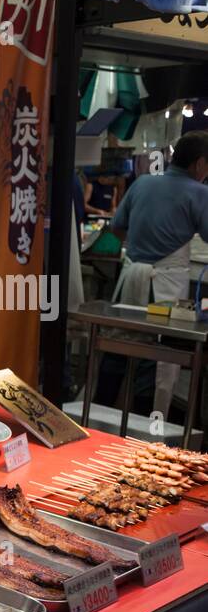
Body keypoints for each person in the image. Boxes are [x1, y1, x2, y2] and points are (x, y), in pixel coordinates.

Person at [105, 131, 208, 416]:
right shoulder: (200, 192)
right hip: (163, 285)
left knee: (118, 345)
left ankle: (97, 416)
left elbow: (116, 226)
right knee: (154, 354)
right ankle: (146, 431)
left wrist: (140, 247)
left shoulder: (142, 182)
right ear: (199, 164)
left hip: (130, 276)